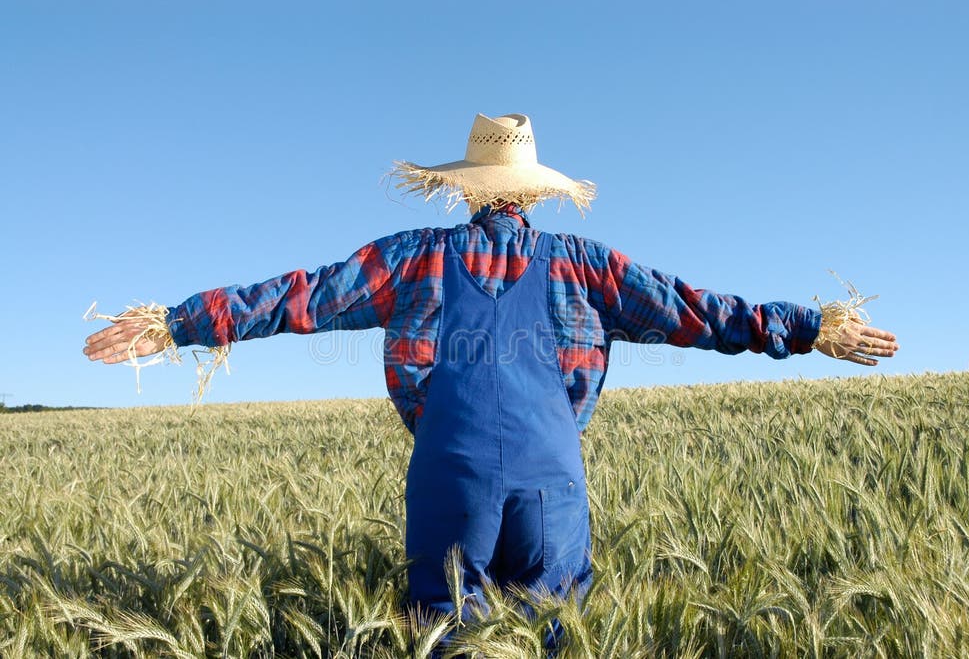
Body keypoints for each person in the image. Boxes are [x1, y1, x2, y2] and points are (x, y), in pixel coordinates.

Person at [83, 113, 899, 643]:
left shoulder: (412, 257)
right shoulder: (587, 266)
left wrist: (175, 323)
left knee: (444, 635)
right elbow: (699, 310)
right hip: (555, 487)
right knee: (554, 633)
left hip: (451, 477)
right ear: (534, 198)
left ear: (466, 192)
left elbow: (300, 296)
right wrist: (809, 327)